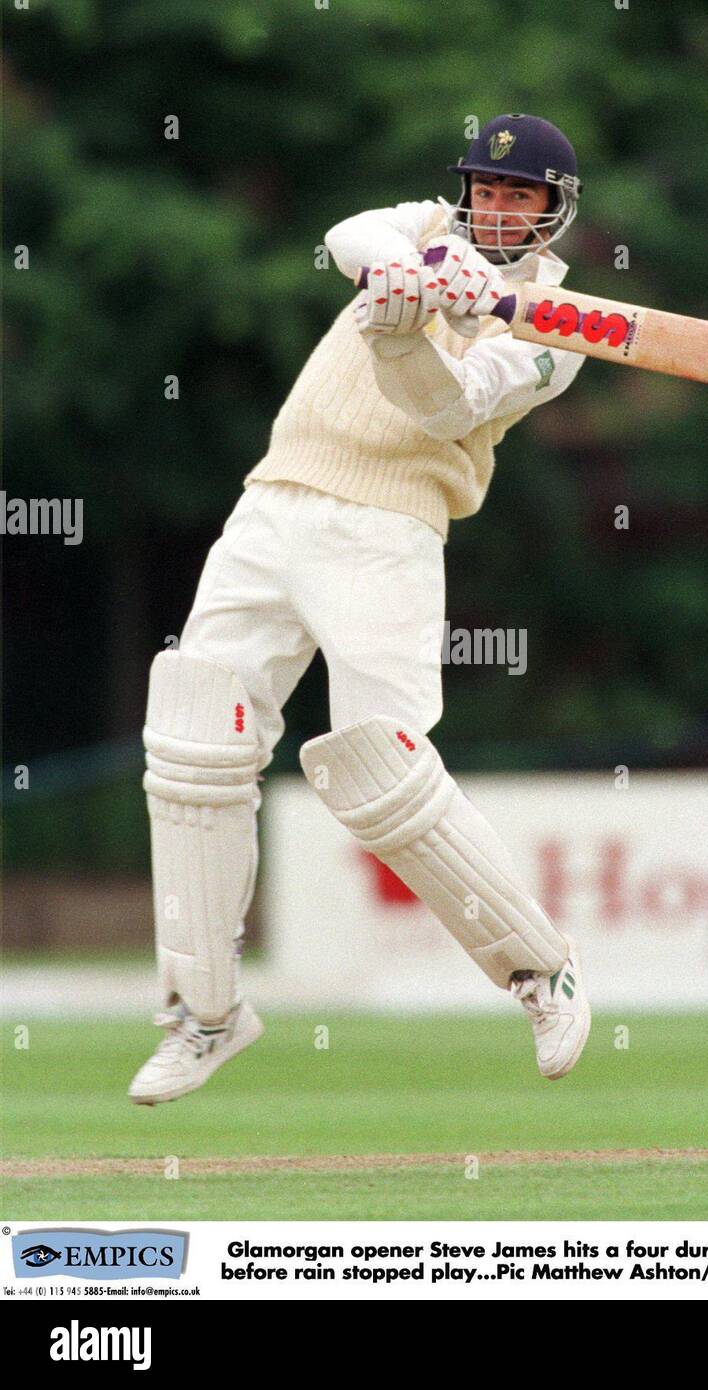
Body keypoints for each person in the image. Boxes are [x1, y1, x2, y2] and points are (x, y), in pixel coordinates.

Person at [129, 114, 591, 1105]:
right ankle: (205, 1012)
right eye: (485, 189)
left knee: (383, 768)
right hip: (275, 499)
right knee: (194, 744)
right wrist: (408, 273)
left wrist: (402, 336)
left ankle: (539, 969)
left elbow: (449, 409)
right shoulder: (426, 226)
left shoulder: (557, 325)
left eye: (518, 196)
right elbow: (349, 234)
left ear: (552, 211)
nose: (495, 208)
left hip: (387, 526)